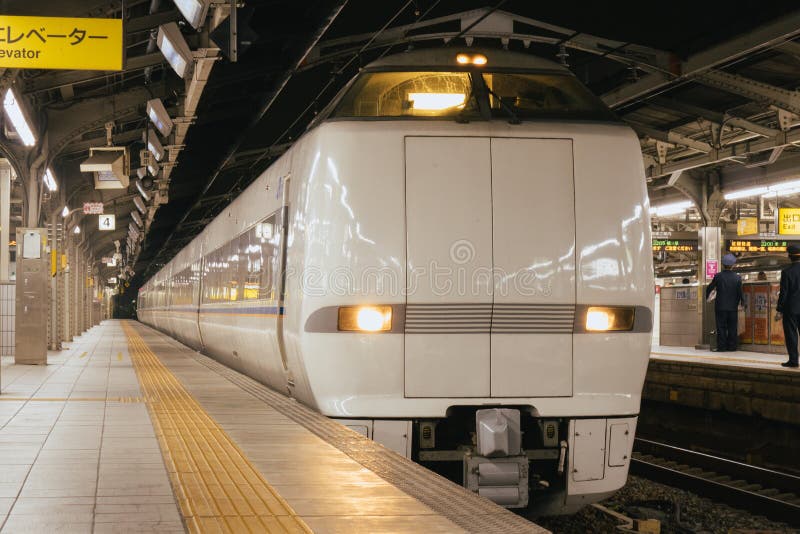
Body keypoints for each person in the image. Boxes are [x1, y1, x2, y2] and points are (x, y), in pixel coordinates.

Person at [705, 253, 744, 352]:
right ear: (733, 265)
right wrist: (742, 302)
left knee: (721, 327)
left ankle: (721, 347)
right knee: (732, 327)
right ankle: (732, 347)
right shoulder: (737, 277)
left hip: (720, 306)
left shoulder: (718, 276)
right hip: (732, 307)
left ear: (723, 264)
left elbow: (710, 287)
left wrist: (708, 297)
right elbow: (740, 292)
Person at [775, 245, 800, 368]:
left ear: (790, 256)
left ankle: (794, 360)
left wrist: (779, 309)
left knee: (791, 335)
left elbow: (784, 293)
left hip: (791, 309)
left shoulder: (787, 272)